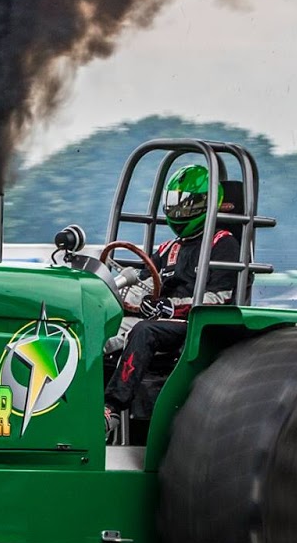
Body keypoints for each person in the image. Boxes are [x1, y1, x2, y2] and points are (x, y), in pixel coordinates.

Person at [102, 164, 241, 430]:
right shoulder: (168, 248)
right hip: (159, 320)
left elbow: (220, 297)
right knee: (101, 329)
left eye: (185, 205)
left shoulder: (223, 244)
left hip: (196, 325)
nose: (178, 212)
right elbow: (142, 284)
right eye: (175, 204)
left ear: (205, 204)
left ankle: (111, 409)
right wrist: (131, 301)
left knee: (143, 331)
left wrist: (170, 307)